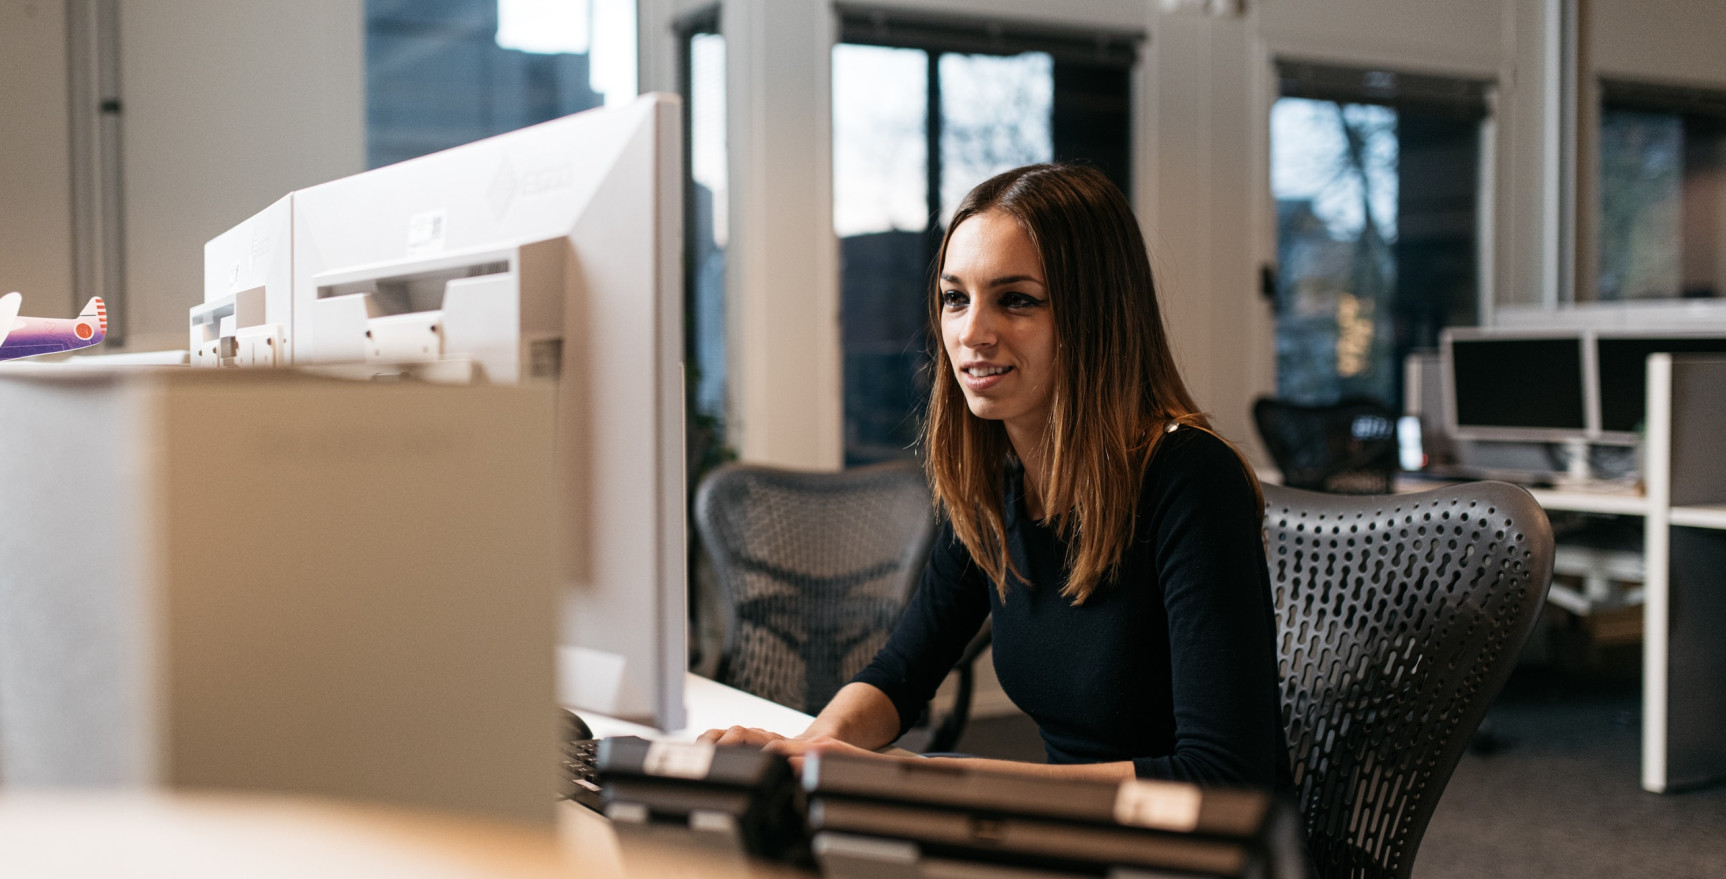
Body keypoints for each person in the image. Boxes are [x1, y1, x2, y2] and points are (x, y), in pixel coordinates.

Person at [701, 163, 1291, 790]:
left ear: (1097, 317)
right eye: (955, 298)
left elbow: (1224, 777)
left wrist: (913, 775)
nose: (971, 333)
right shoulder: (998, 484)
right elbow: (902, 673)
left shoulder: (1190, 477)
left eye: (1016, 300)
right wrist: (807, 748)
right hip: (1072, 842)